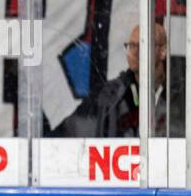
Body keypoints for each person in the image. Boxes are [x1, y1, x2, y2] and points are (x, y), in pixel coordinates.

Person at [56, 23, 185, 138]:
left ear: (162, 52)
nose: (133, 52)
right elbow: (71, 130)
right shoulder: (112, 94)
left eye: (142, 45)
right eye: (130, 45)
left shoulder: (183, 93)